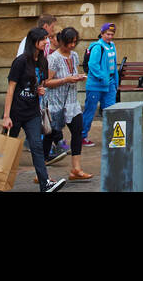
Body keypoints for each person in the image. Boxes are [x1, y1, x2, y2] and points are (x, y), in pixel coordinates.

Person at [1, 26, 65, 192]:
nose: (47, 42)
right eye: (43, 39)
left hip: (32, 112)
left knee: (37, 146)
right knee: (8, 150)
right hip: (15, 112)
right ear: (34, 42)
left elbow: (38, 84)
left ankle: (45, 184)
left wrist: (39, 89)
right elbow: (11, 89)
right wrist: (6, 116)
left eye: (47, 38)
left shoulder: (43, 61)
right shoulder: (21, 61)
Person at [43, 27, 91, 181]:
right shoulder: (53, 58)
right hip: (55, 103)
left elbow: (72, 74)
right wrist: (66, 80)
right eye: (69, 43)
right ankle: (42, 171)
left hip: (71, 102)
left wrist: (78, 77)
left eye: (74, 42)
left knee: (77, 131)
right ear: (62, 41)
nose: (71, 45)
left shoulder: (75, 56)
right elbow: (46, 82)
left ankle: (76, 169)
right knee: (50, 136)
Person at [18, 15, 65, 159]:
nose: (53, 31)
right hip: (25, 93)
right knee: (18, 124)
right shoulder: (29, 42)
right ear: (45, 26)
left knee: (40, 120)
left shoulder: (43, 45)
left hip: (37, 90)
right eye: (52, 27)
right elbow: (22, 66)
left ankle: (43, 152)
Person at [79, 22, 118, 147]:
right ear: (102, 34)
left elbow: (114, 65)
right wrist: (103, 77)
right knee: (90, 111)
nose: (110, 36)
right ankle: (82, 136)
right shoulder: (97, 47)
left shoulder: (112, 46)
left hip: (110, 84)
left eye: (112, 34)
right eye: (107, 34)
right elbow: (93, 65)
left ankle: (112, 137)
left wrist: (115, 82)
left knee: (111, 111)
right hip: (96, 85)